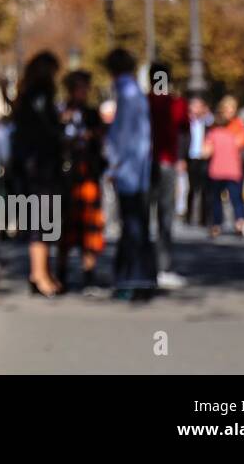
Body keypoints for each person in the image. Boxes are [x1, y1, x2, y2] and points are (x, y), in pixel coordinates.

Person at [103, 48, 156, 300]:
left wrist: (113, 165)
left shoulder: (125, 92)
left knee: (132, 226)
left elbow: (122, 135)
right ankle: (139, 278)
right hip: (138, 170)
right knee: (137, 225)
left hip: (128, 171)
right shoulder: (135, 91)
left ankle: (132, 279)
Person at [12, 51, 64, 297]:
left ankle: (42, 271)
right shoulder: (39, 95)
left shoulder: (28, 95)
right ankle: (39, 273)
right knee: (41, 220)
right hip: (40, 166)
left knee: (42, 219)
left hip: (35, 164)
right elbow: (45, 129)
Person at [56, 71, 106, 291]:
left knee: (90, 226)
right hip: (66, 177)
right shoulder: (60, 112)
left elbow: (102, 140)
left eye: (85, 87)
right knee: (65, 227)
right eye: (78, 87)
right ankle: (61, 274)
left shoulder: (91, 114)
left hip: (88, 174)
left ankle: (89, 274)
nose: (82, 92)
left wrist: (92, 136)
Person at [147, 63, 188, 289]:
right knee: (165, 217)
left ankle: (144, 266)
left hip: (146, 164)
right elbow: (184, 133)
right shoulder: (177, 103)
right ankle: (163, 268)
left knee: (145, 216)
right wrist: (181, 158)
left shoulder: (145, 101)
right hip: (167, 163)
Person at [204, 95, 244, 238]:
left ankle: (239, 222)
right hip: (222, 168)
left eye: (233, 108)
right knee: (218, 198)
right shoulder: (217, 127)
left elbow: (242, 142)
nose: (230, 111)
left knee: (235, 198)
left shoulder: (236, 126)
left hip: (230, 167)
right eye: (228, 108)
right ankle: (218, 224)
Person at [185, 97, 212, 227]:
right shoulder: (188, 123)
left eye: (197, 107)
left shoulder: (207, 123)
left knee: (204, 189)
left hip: (204, 157)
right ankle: (189, 216)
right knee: (191, 188)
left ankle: (204, 218)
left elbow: (213, 121)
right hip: (191, 157)